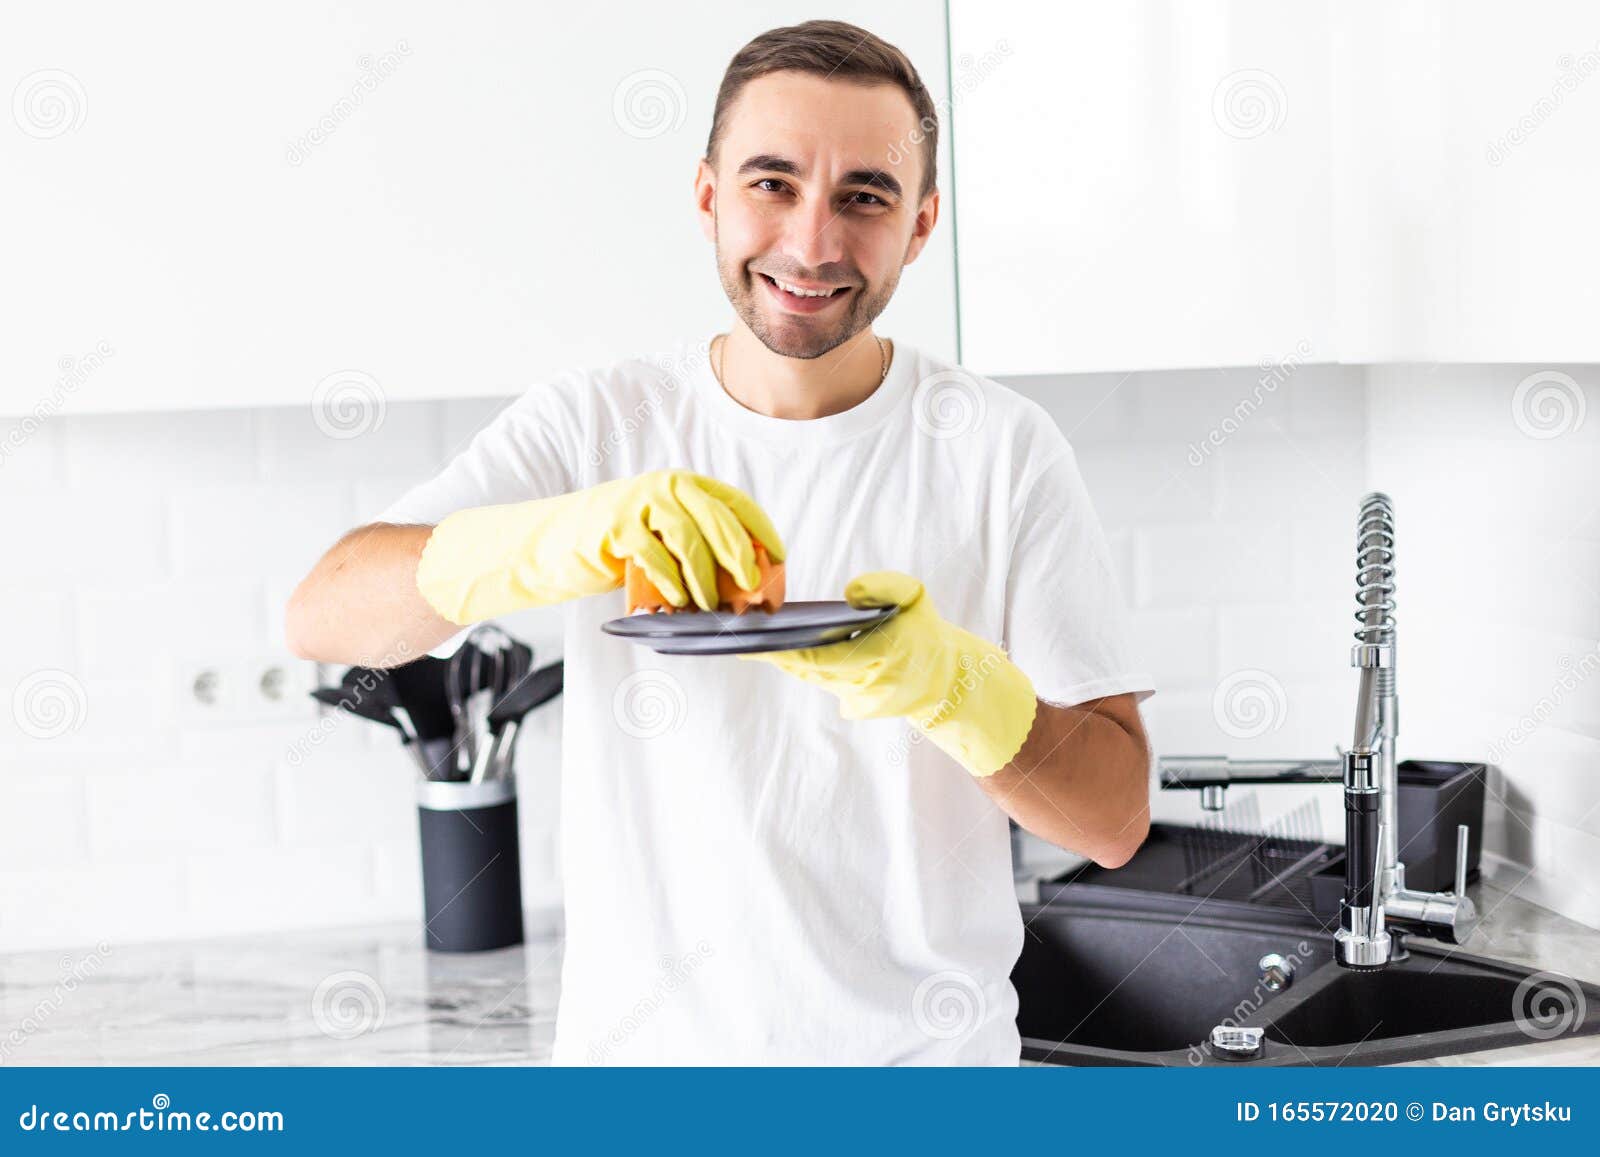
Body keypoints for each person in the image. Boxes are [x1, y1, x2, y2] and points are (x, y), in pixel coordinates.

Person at [287, 19, 1155, 1065]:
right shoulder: (596, 425)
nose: (811, 242)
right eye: (772, 183)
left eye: (864, 197)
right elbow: (324, 614)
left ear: (921, 225)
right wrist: (561, 535)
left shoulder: (1000, 449)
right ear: (707, 195)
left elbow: (1112, 819)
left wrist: (955, 686)